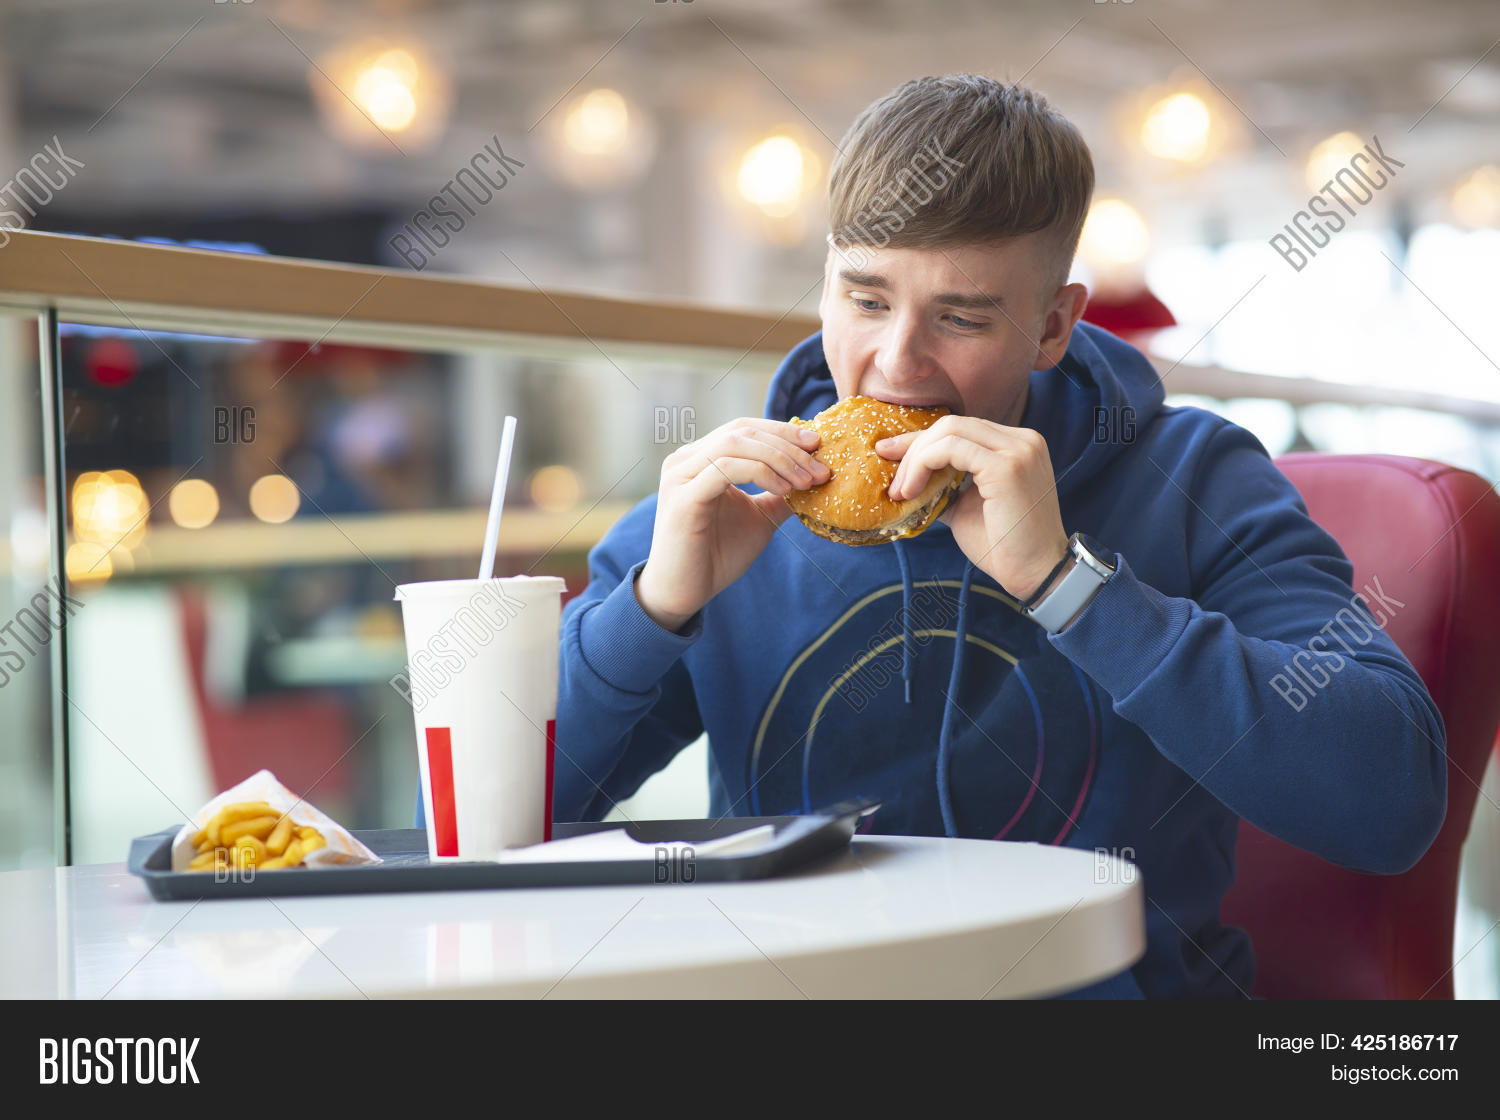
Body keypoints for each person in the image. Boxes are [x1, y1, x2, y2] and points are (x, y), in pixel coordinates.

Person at [548, 75, 1448, 998]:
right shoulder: (717, 508)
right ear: (823, 287)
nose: (898, 363)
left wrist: (1072, 589)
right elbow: (466, 825)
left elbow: (1392, 803)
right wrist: (651, 611)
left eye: (962, 317)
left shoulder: (1195, 480)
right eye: (866, 300)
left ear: (1053, 324)